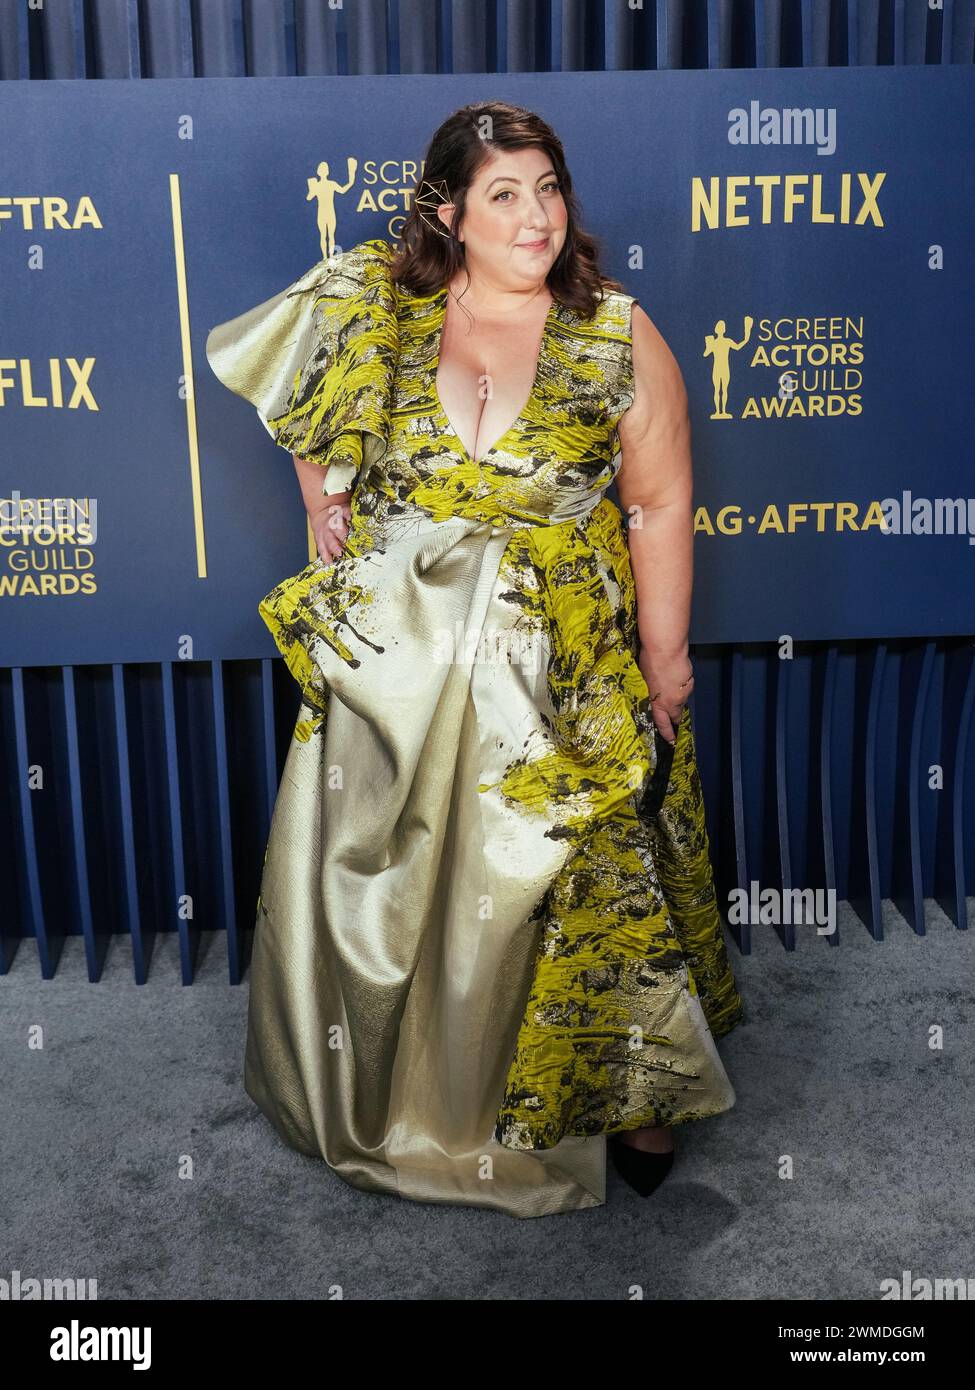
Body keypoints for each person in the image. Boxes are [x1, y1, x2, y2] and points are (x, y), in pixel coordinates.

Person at [205, 100, 745, 1220]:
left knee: (590, 871)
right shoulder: (378, 307)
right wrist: (326, 506)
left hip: (560, 656)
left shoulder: (616, 330)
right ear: (448, 210)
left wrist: (666, 654)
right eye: (505, 193)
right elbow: (304, 407)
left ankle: (624, 1093)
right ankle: (401, 1093)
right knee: (394, 892)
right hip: (399, 671)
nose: (537, 215)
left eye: (549, 188)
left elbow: (659, 501)